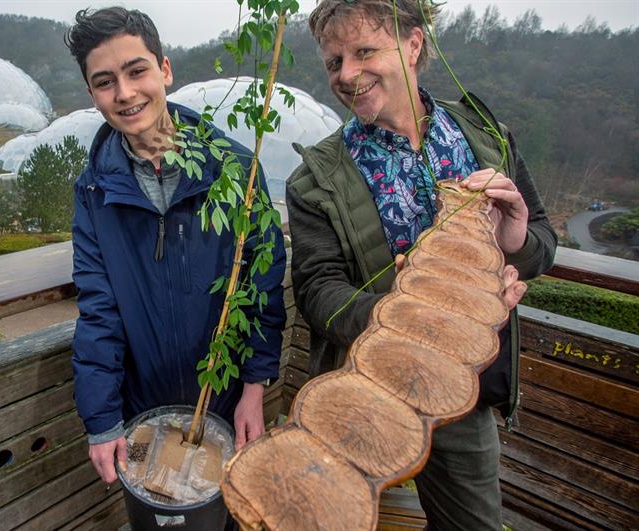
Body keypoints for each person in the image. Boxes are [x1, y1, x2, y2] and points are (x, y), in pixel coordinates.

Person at [286, 0, 557, 528]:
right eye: (334, 61)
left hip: (461, 395)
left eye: (364, 51)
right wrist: (410, 314)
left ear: (413, 45)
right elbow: (318, 293)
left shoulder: (485, 137)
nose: (347, 74)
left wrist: (516, 240)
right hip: (365, 389)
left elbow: (541, 245)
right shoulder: (316, 177)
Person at [65, 7, 286, 485]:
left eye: (136, 71)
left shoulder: (235, 171)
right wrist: (101, 420)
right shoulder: (94, 193)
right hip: (145, 409)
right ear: (91, 94)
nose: (125, 93)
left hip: (226, 400)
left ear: (164, 70)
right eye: (105, 82)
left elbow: (261, 284)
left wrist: (254, 387)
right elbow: (99, 310)